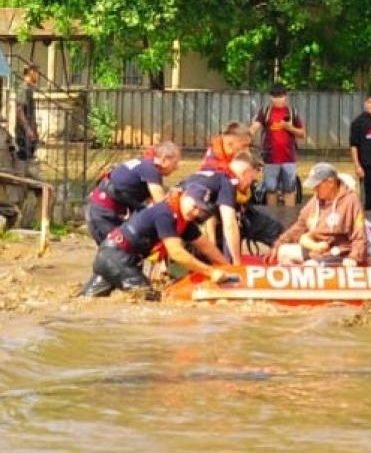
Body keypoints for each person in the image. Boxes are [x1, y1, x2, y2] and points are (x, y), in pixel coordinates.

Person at [79, 185, 231, 299]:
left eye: (201, 210)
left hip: (115, 258)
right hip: (116, 258)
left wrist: (231, 269)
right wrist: (210, 272)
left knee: (86, 301)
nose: (196, 212)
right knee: (149, 298)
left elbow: (206, 247)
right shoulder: (165, 214)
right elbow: (177, 253)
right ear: (184, 196)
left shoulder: (184, 221)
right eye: (194, 206)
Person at [85, 140, 182, 243]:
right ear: (164, 160)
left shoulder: (145, 166)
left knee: (124, 252)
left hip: (101, 210)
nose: (177, 168)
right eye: (175, 163)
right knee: (117, 252)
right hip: (103, 213)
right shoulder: (151, 169)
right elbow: (161, 205)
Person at [271, 163, 368, 266]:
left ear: (330, 182)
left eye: (317, 186)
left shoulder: (351, 200)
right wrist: (278, 244)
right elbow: (298, 227)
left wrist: (354, 257)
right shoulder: (315, 201)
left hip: (339, 252)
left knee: (310, 265)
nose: (314, 189)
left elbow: (359, 233)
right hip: (316, 249)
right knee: (283, 253)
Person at [250, 84, 306, 207]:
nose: (278, 99)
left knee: (290, 190)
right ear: (270, 97)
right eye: (275, 97)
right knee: (271, 189)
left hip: (288, 158)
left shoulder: (292, 112)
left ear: (285, 96)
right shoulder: (265, 111)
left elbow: (302, 133)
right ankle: (272, 218)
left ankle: (289, 216)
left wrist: (289, 127)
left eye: (280, 96)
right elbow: (255, 127)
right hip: (270, 158)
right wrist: (246, 134)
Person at [11, 63, 41, 161]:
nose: (38, 75)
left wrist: (34, 129)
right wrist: (28, 129)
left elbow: (29, 111)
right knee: (24, 162)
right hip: (23, 134)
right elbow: (19, 111)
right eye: (36, 72)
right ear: (30, 72)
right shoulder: (23, 88)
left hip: (29, 134)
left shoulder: (29, 89)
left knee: (29, 161)